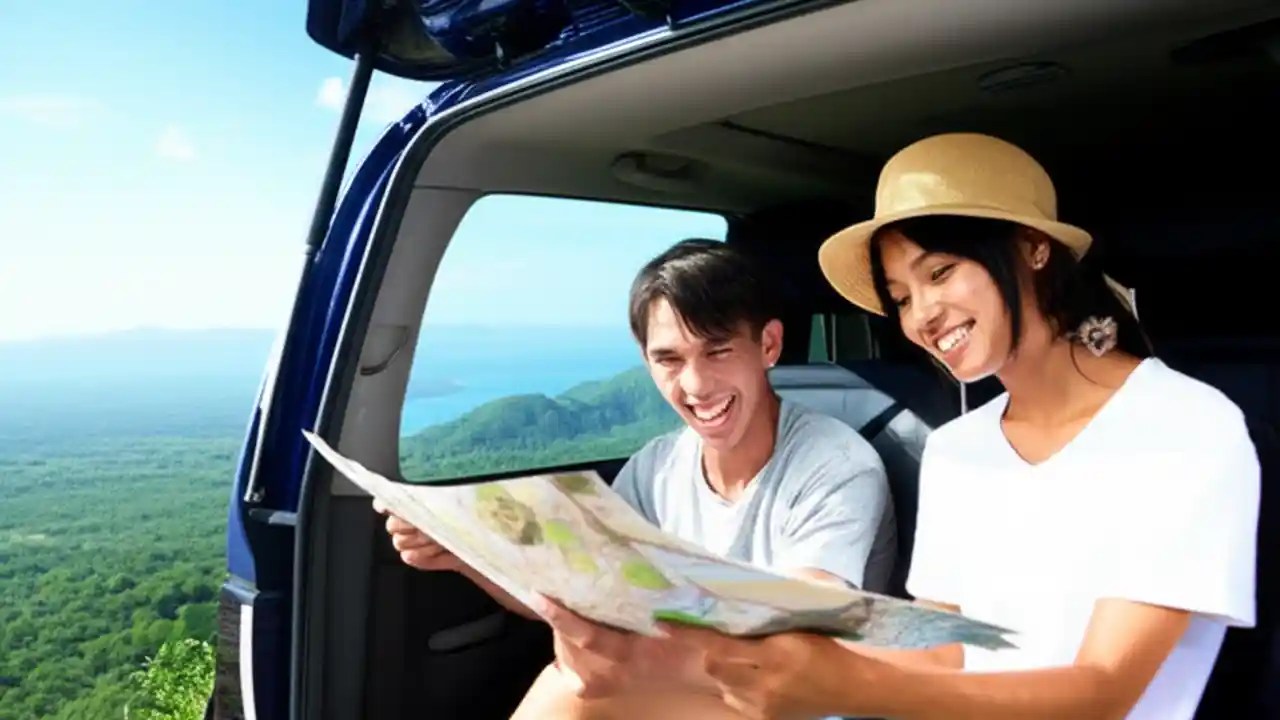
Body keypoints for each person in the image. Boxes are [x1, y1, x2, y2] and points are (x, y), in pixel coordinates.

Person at [575, 132, 1256, 720]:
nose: (921, 314)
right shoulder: (958, 450)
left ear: (1033, 249)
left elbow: (1104, 691)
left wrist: (846, 679)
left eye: (941, 272)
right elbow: (944, 655)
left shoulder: (1184, 426)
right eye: (900, 296)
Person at [376, 238, 897, 719]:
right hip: (688, 691)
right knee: (570, 684)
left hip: (791, 703)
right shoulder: (657, 465)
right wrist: (462, 552)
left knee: (573, 689)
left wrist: (627, 656)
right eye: (668, 359)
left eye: (717, 351)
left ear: (769, 345)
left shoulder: (836, 465)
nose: (695, 385)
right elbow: (577, 590)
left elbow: (797, 629)